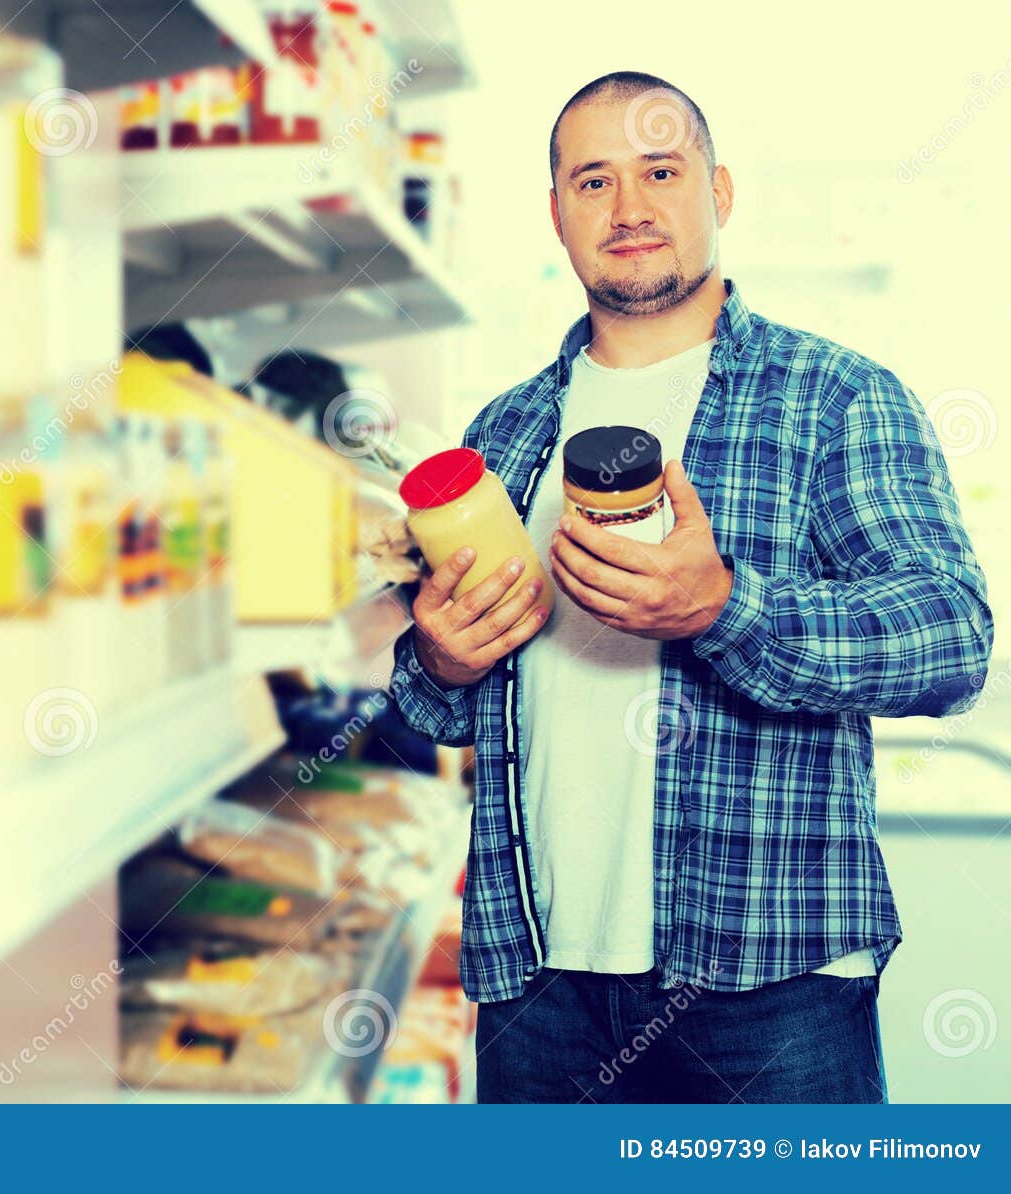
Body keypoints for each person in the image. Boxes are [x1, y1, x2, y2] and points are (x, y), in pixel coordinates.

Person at [389, 70, 994, 1103]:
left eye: (658, 171)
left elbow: (950, 640)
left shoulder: (836, 396)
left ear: (716, 192)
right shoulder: (503, 432)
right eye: (592, 182)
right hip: (535, 984)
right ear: (555, 214)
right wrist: (439, 659)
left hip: (769, 986)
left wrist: (724, 607)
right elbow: (444, 703)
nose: (627, 208)